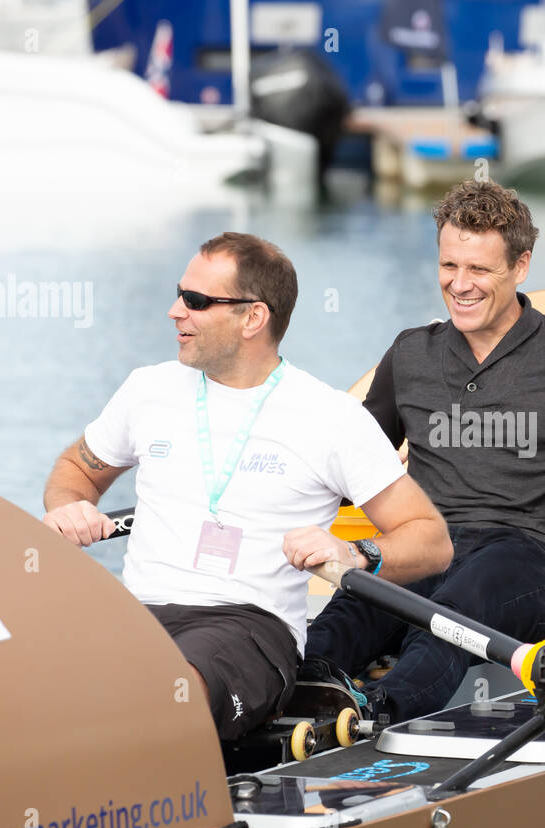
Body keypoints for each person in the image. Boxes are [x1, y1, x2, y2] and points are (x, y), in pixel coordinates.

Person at [304, 181, 545, 722]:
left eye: (479, 270)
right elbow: (344, 464)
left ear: (521, 266)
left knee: (461, 604)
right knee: (344, 617)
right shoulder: (409, 354)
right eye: (449, 266)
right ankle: (295, 702)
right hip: (428, 546)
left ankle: (376, 717)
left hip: (532, 556)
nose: (459, 285)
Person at [41, 233, 451, 740]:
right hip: (137, 614)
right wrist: (69, 505)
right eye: (179, 294)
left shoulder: (330, 418)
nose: (174, 311)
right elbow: (76, 470)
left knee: (162, 694)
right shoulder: (148, 389)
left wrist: (356, 552)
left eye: (195, 301)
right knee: (27, 681)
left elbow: (430, 539)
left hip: (248, 627)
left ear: (253, 318)